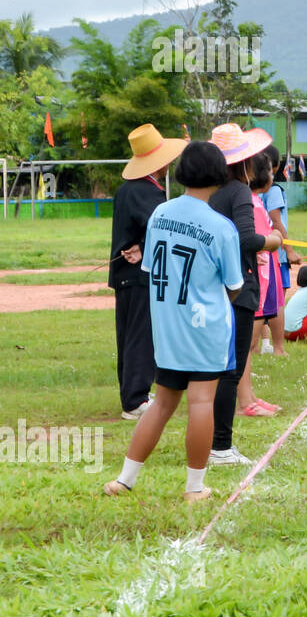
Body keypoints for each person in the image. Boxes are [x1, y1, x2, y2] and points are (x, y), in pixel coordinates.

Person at [103, 141, 245, 502]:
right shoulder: (221, 226)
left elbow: (151, 269)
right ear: (219, 175)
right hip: (205, 328)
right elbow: (234, 286)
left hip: (167, 327)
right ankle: (195, 488)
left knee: (163, 402)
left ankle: (124, 479)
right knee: (201, 402)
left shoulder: (161, 214)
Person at [207, 124, 281, 467]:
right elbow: (245, 239)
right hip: (240, 284)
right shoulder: (238, 190)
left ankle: (212, 442)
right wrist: (274, 242)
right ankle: (221, 446)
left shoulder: (211, 191)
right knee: (229, 369)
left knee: (213, 367)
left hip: (213, 285)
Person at [111, 124, 187, 421]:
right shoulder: (145, 192)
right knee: (140, 336)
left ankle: (133, 392)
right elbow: (158, 230)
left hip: (126, 275)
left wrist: (141, 244)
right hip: (138, 274)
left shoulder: (129, 189)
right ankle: (135, 400)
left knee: (129, 334)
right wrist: (143, 246)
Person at [242, 152, 283, 416]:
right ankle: (246, 403)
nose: (272, 173)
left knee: (249, 342)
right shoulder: (252, 205)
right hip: (256, 279)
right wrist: (276, 237)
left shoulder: (254, 201)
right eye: (269, 169)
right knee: (247, 343)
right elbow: (257, 242)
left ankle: (249, 397)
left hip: (262, 279)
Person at [258, 145, 298, 356]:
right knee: (277, 300)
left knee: (261, 300)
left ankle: (261, 345)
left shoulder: (254, 191)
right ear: (276, 166)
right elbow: (276, 221)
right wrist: (289, 250)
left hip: (262, 250)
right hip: (276, 254)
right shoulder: (274, 190)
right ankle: (278, 348)